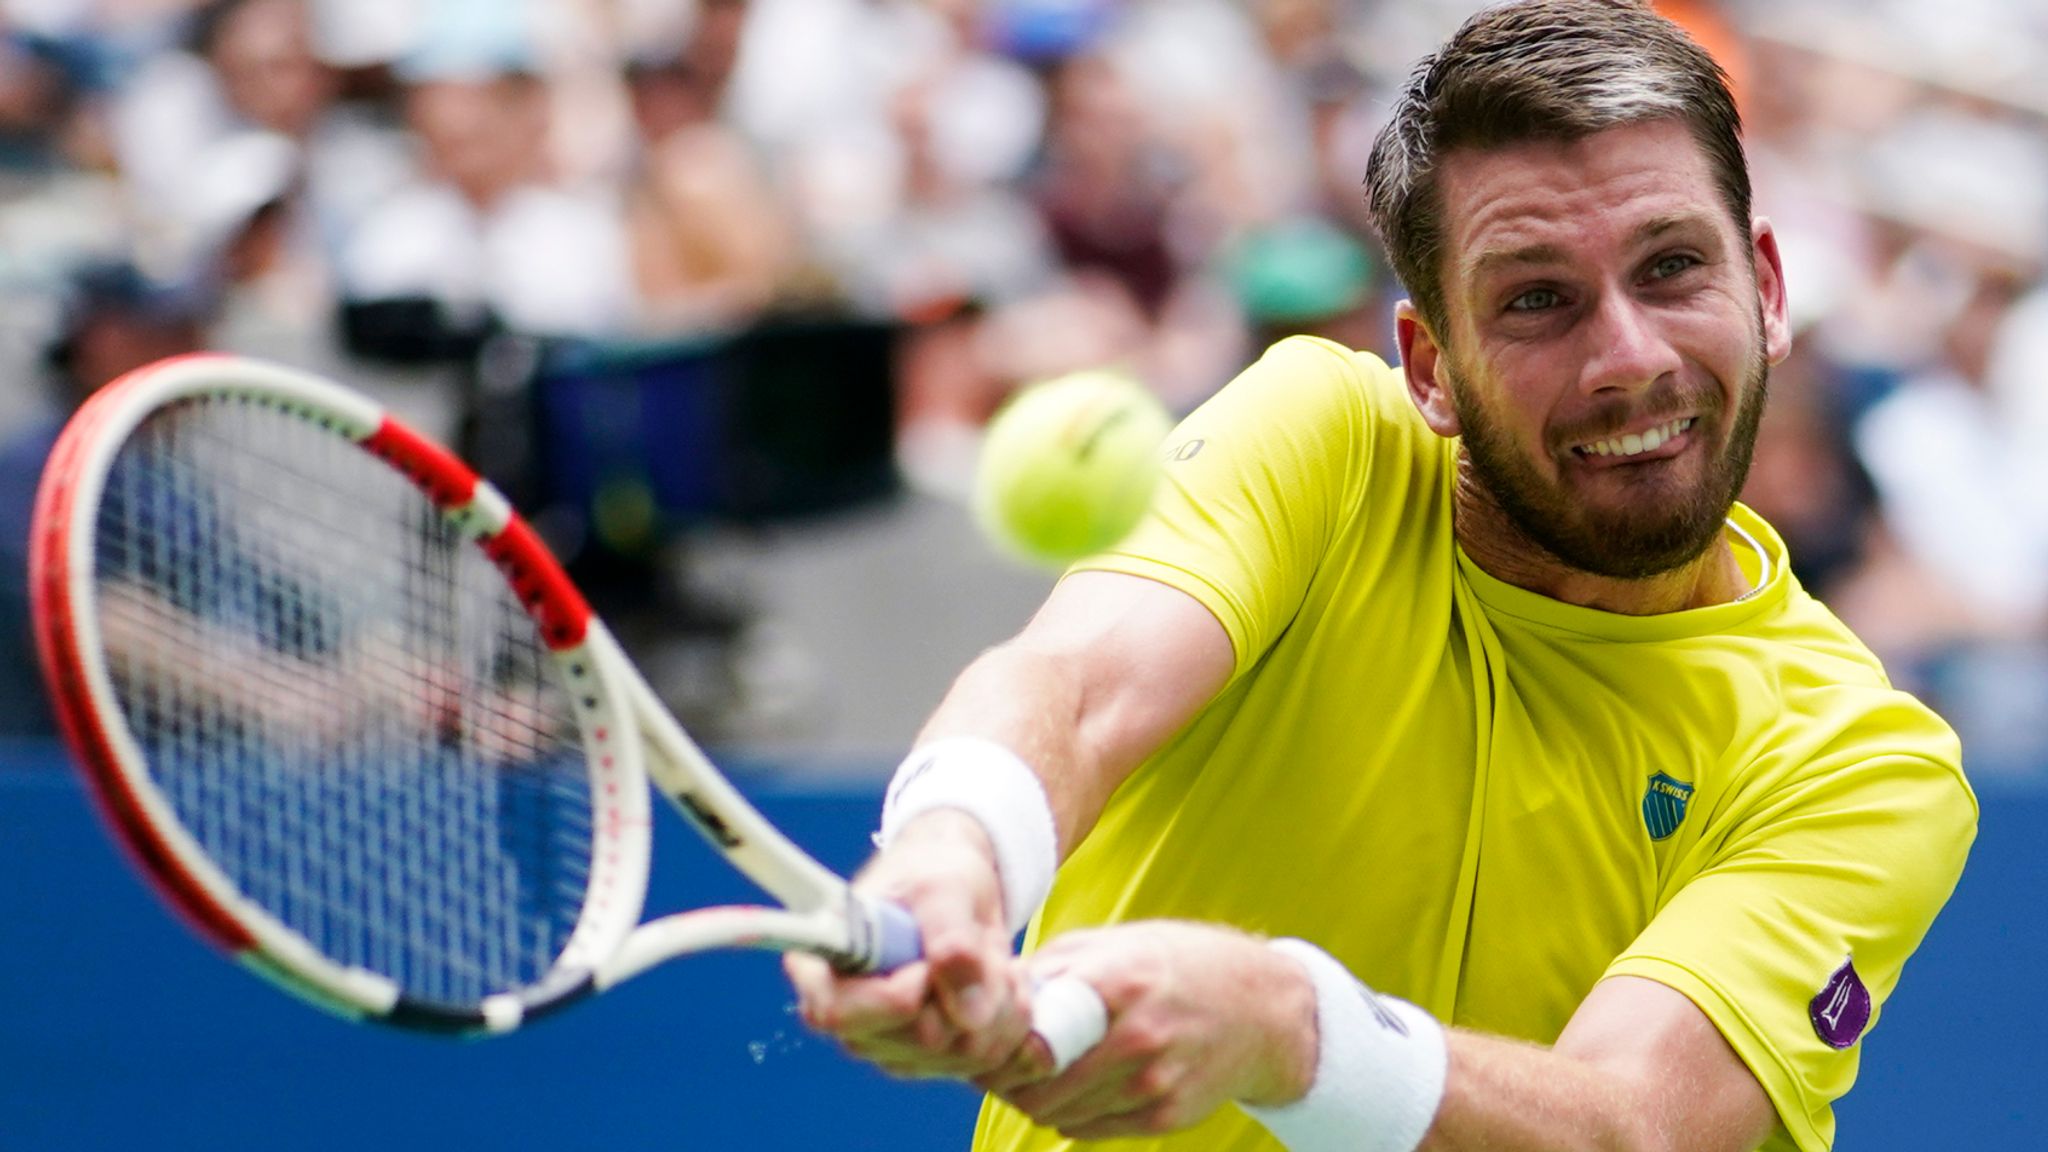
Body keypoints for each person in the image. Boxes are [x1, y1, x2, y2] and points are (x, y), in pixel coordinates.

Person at [784, 3, 1974, 1152]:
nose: (1627, 355)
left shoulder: (1859, 758)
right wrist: (956, 846)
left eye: (1669, 268)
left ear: (1764, 290)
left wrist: (1286, 1029)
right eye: (1536, 300)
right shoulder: (1325, 438)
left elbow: (1637, 1128)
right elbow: (1077, 684)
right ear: (1429, 367)